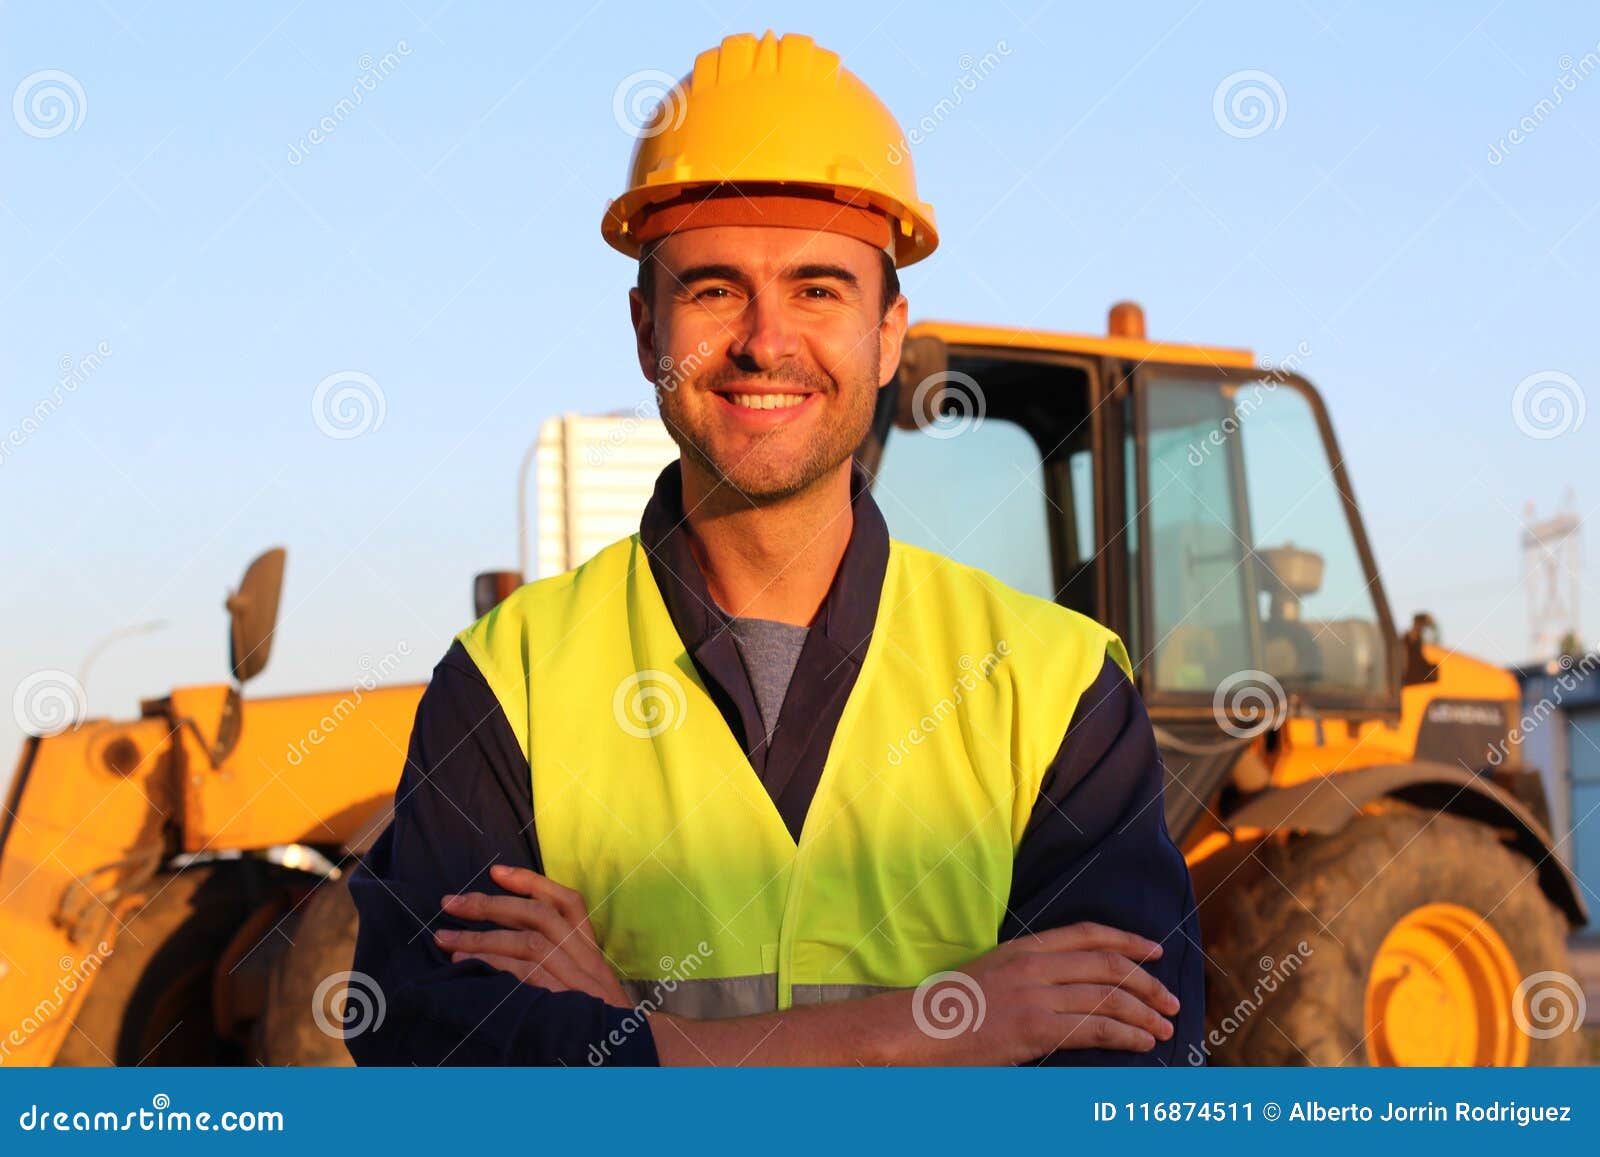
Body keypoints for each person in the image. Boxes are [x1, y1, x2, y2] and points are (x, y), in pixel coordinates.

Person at [348, 30, 1203, 1067]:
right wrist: (927, 1028)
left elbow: (1123, 1083)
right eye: (713, 289)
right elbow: (444, 1061)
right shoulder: (508, 678)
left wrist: (636, 1036)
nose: (763, 339)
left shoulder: (1054, 686)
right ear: (644, 331)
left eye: (816, 289)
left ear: (887, 331)